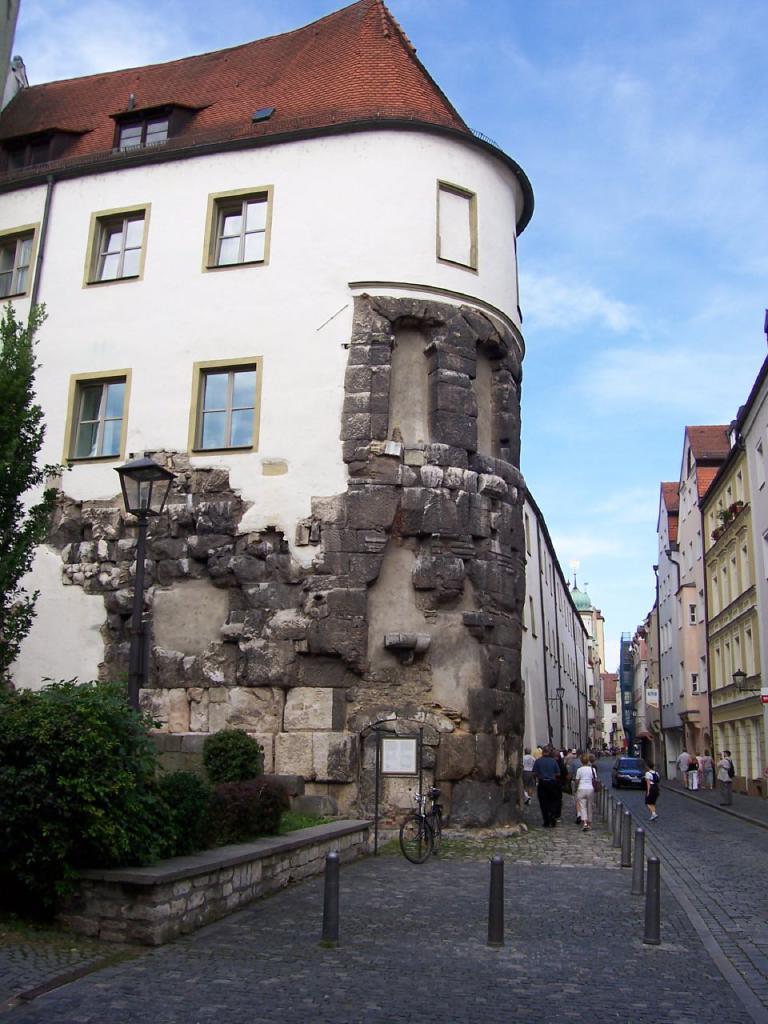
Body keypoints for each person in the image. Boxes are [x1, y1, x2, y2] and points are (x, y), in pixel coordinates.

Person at [533, 744, 562, 828]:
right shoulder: (553, 761)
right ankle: (553, 815)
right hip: (552, 783)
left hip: (542, 783)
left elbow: (534, 773)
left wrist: (539, 776)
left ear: (542, 752)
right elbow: (558, 773)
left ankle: (546, 820)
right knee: (553, 801)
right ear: (549, 752)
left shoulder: (538, 761)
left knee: (543, 802)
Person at [574, 753, 596, 832]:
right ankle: (590, 824)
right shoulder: (592, 769)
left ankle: (585, 823)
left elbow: (577, 780)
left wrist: (576, 788)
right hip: (590, 788)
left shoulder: (579, 770)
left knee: (582, 807)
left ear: (581, 761)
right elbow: (594, 779)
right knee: (590, 806)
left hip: (581, 788)